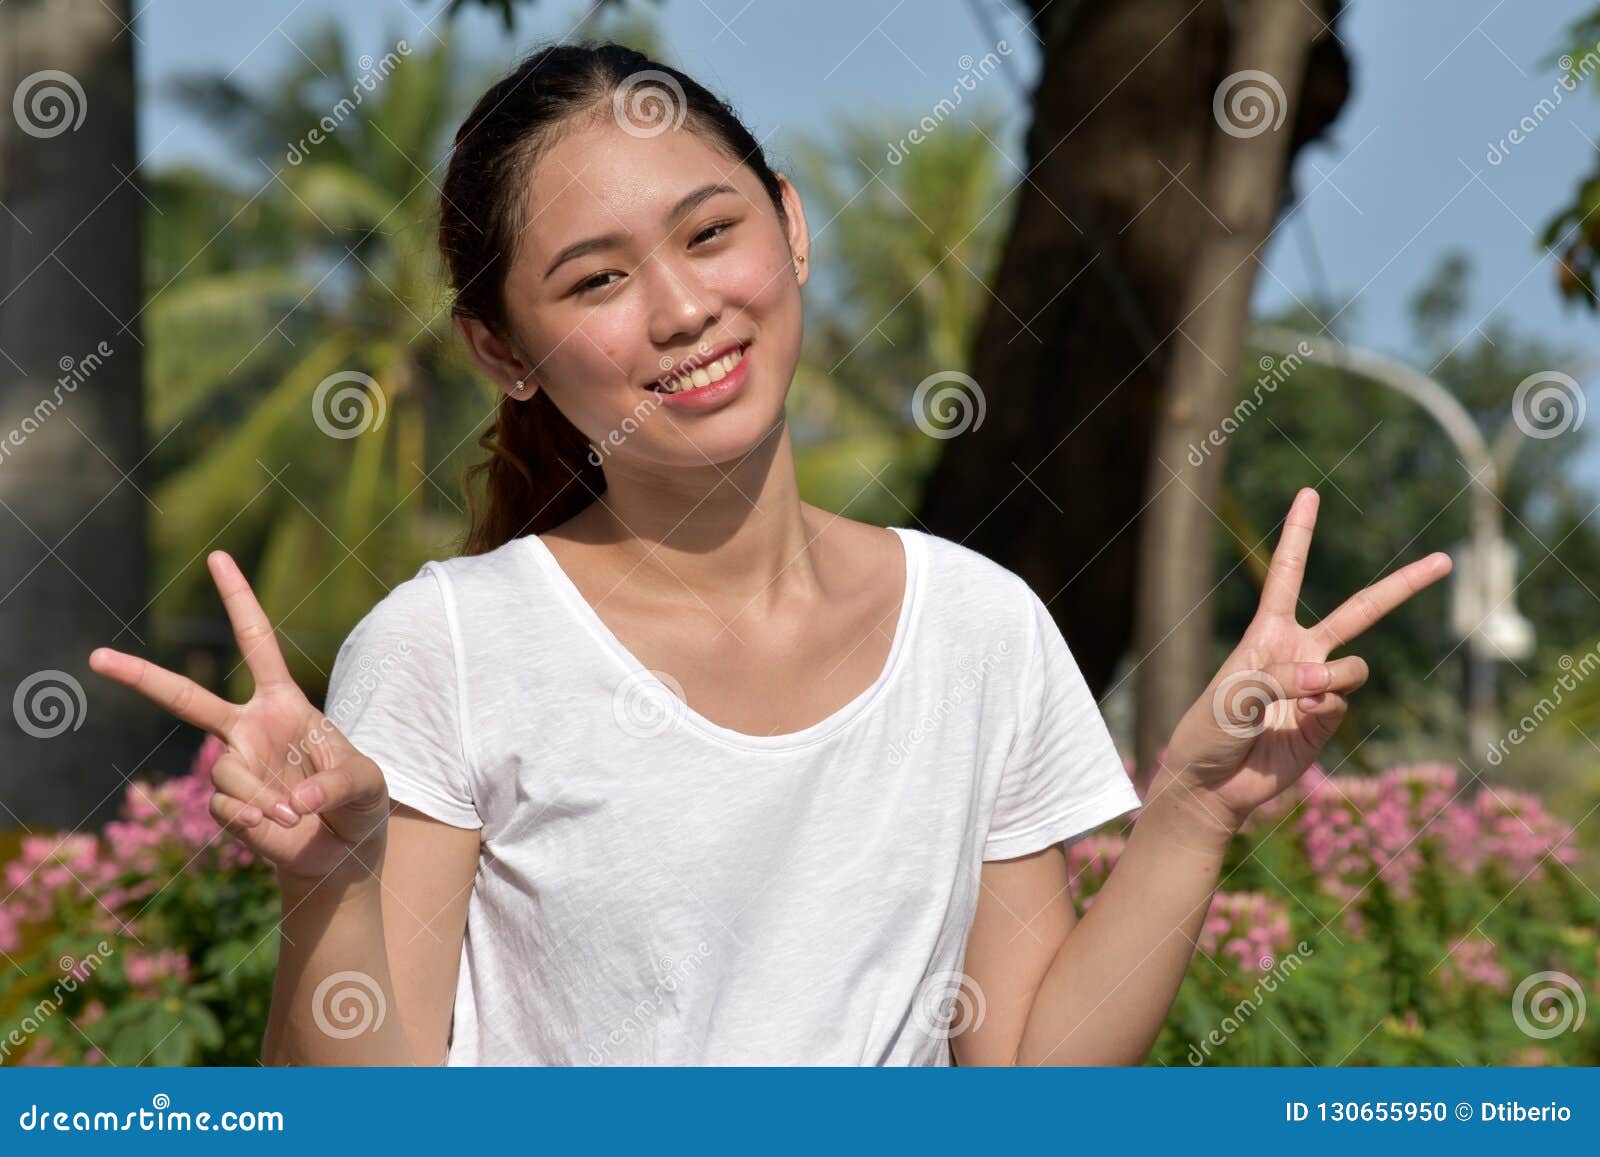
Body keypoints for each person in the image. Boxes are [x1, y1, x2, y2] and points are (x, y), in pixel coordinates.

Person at [88, 41, 1451, 1066]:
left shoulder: (979, 626)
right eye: (596, 278)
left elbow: (1029, 1089)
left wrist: (1194, 814)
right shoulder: (449, 645)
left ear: (790, 228)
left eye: (709, 233)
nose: (683, 307)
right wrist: (327, 883)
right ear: (502, 352)